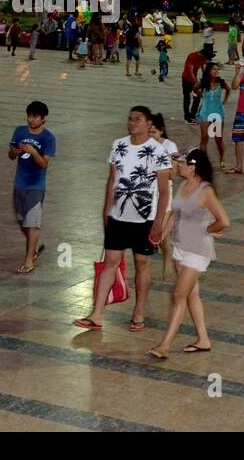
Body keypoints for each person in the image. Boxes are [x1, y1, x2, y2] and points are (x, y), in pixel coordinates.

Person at [73, 107, 172, 333]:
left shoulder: (157, 151)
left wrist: (158, 222)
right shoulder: (118, 145)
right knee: (110, 261)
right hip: (118, 216)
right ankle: (97, 313)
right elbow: (112, 181)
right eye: (130, 119)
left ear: (149, 124)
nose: (132, 122)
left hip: (144, 218)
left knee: (142, 264)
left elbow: (164, 191)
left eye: (138, 119)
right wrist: (106, 211)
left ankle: (139, 311)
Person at [146, 149, 231, 360]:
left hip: (198, 251)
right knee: (191, 295)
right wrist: (161, 236)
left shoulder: (205, 191)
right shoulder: (184, 186)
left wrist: (208, 230)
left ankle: (164, 345)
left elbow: (224, 221)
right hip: (180, 247)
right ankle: (203, 339)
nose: (178, 166)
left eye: (182, 163)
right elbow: (175, 214)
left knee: (178, 295)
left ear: (193, 167)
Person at [9, 101, 55, 274]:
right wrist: (15, 152)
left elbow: (44, 164)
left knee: (32, 224)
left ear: (43, 119)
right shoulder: (19, 131)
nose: (31, 120)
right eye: (29, 116)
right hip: (19, 183)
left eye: (35, 117)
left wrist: (34, 151)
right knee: (22, 222)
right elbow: (11, 155)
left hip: (36, 185)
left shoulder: (48, 138)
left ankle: (29, 260)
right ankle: (34, 247)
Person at [148, 113, 182, 282]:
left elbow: (173, 175)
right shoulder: (143, 146)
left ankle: (167, 261)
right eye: (149, 132)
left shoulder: (170, 146)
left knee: (162, 232)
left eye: (153, 132)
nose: (151, 136)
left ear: (161, 131)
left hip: (163, 194)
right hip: (146, 194)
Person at [195, 63, 230, 170]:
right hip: (205, 113)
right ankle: (203, 162)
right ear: (209, 71)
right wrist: (202, 97)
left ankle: (222, 158)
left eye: (218, 69)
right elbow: (195, 89)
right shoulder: (203, 83)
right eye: (214, 69)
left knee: (218, 139)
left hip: (218, 113)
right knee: (204, 138)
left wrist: (225, 100)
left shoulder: (221, 83)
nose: (217, 71)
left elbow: (229, 89)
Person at [181, 44, 211, 123]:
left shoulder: (202, 58)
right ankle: (187, 117)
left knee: (197, 98)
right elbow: (190, 70)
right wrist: (196, 81)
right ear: (202, 54)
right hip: (186, 79)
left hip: (194, 81)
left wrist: (206, 78)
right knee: (187, 98)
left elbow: (204, 68)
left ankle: (193, 115)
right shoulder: (192, 56)